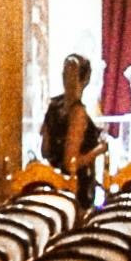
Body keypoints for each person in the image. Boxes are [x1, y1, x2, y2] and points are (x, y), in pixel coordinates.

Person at [38, 53, 105, 204]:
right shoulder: (77, 112)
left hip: (54, 182)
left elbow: (45, 150)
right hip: (75, 188)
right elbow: (71, 163)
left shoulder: (54, 106)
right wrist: (99, 150)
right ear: (85, 80)